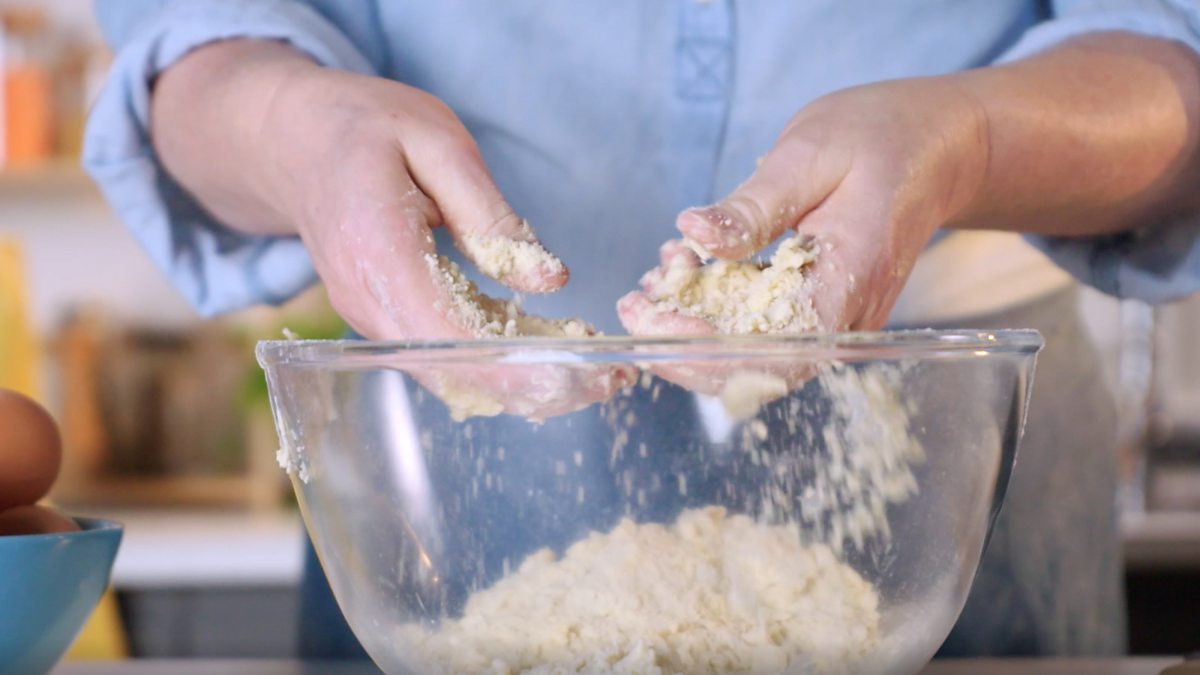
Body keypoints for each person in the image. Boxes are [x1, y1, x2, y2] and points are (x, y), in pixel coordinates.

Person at [85, 0, 1200, 661]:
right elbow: (187, 50)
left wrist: (968, 140)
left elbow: (1176, 59)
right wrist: (296, 128)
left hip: (935, 462)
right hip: (447, 471)